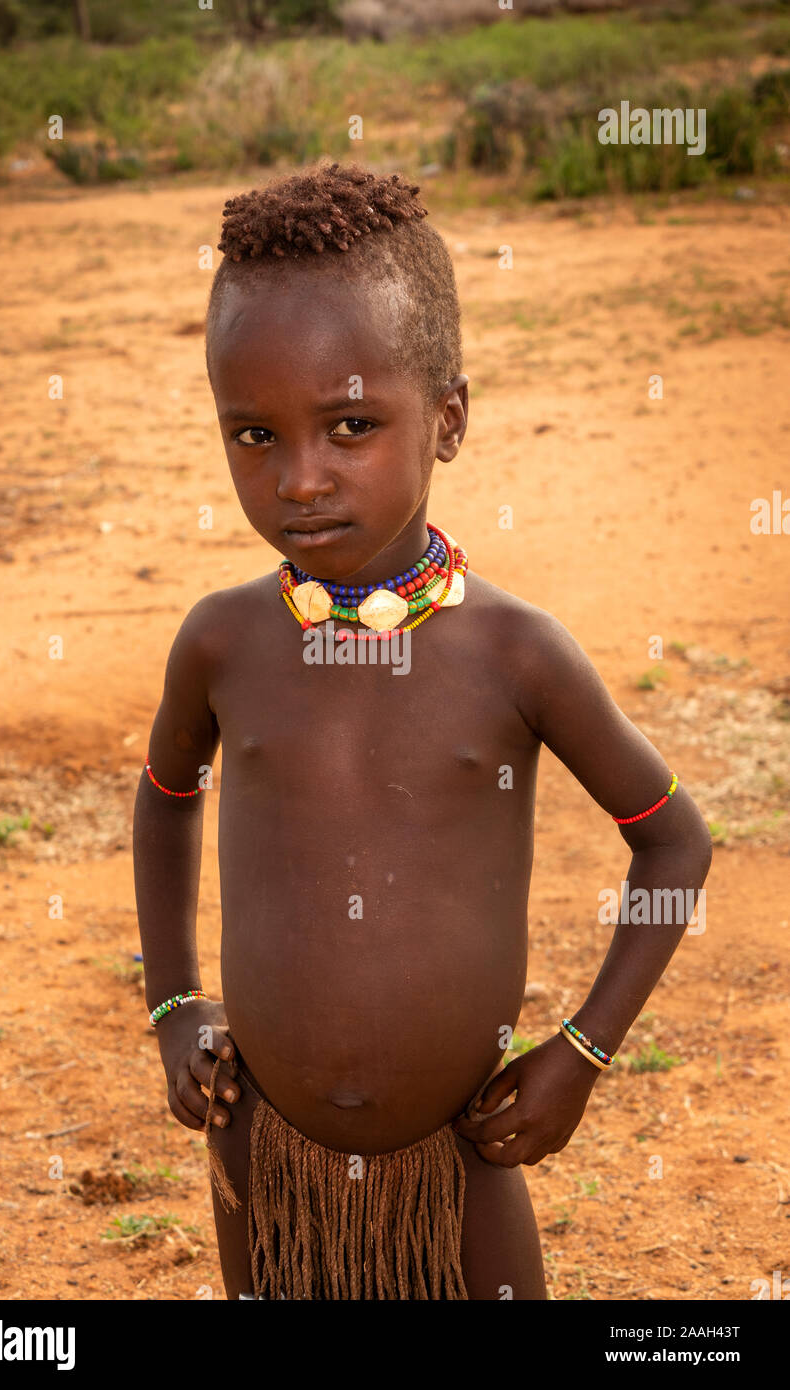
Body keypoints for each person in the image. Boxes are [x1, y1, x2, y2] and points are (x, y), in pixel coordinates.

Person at [133, 161, 712, 1300]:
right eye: (252, 436)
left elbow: (672, 841)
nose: (300, 479)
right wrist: (171, 1003)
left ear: (446, 418)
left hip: (461, 1159)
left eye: (350, 424)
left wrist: (582, 1052)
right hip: (261, 1145)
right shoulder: (222, 646)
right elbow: (164, 797)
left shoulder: (516, 657)